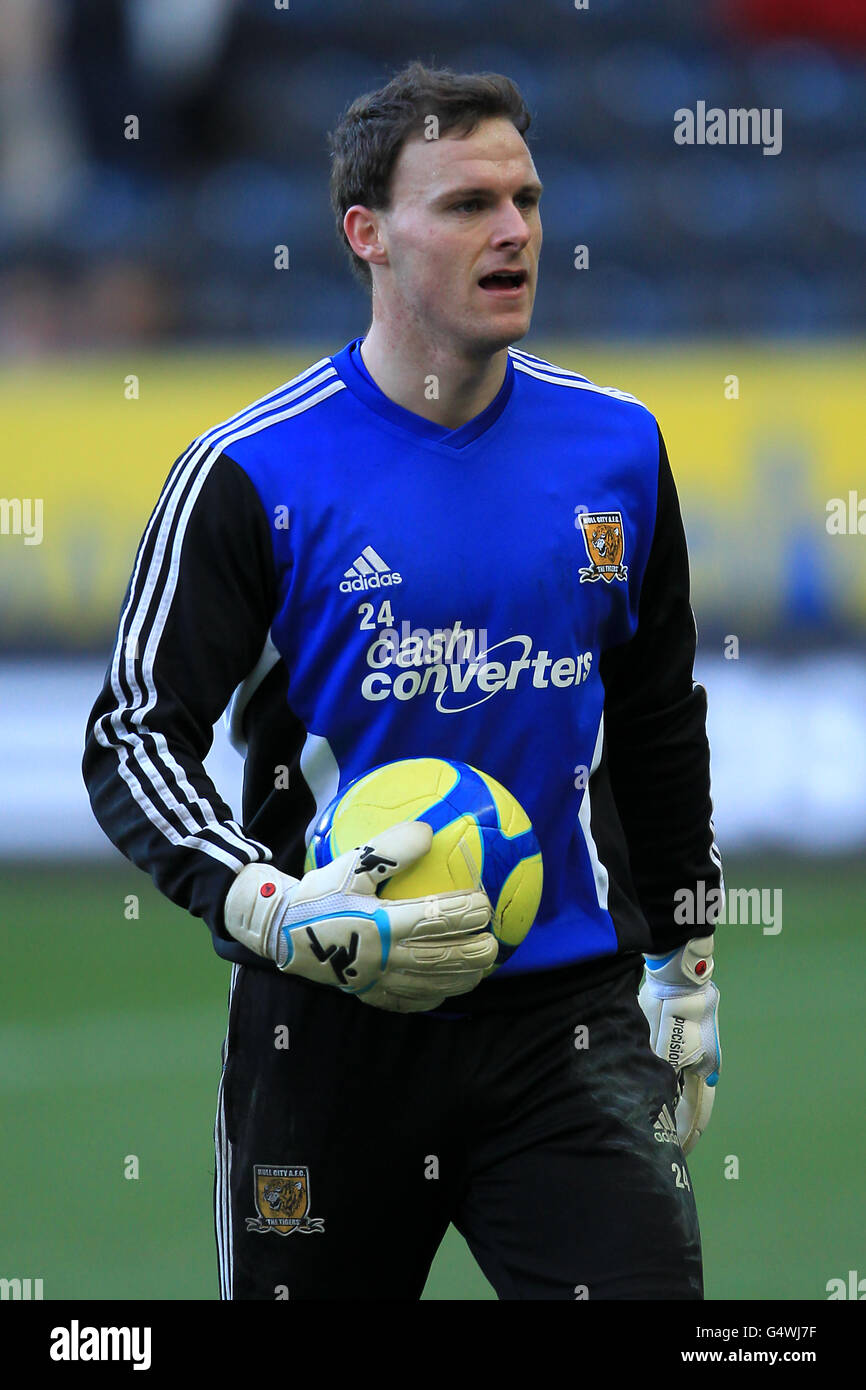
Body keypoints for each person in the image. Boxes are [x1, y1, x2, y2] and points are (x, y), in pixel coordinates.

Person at [82, 60, 723, 1301]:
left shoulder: (618, 448)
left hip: (567, 1028)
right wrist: (266, 903)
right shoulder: (249, 473)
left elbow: (657, 723)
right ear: (365, 235)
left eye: (527, 199)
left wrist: (685, 962)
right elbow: (133, 737)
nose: (514, 230)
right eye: (468, 204)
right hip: (325, 1032)